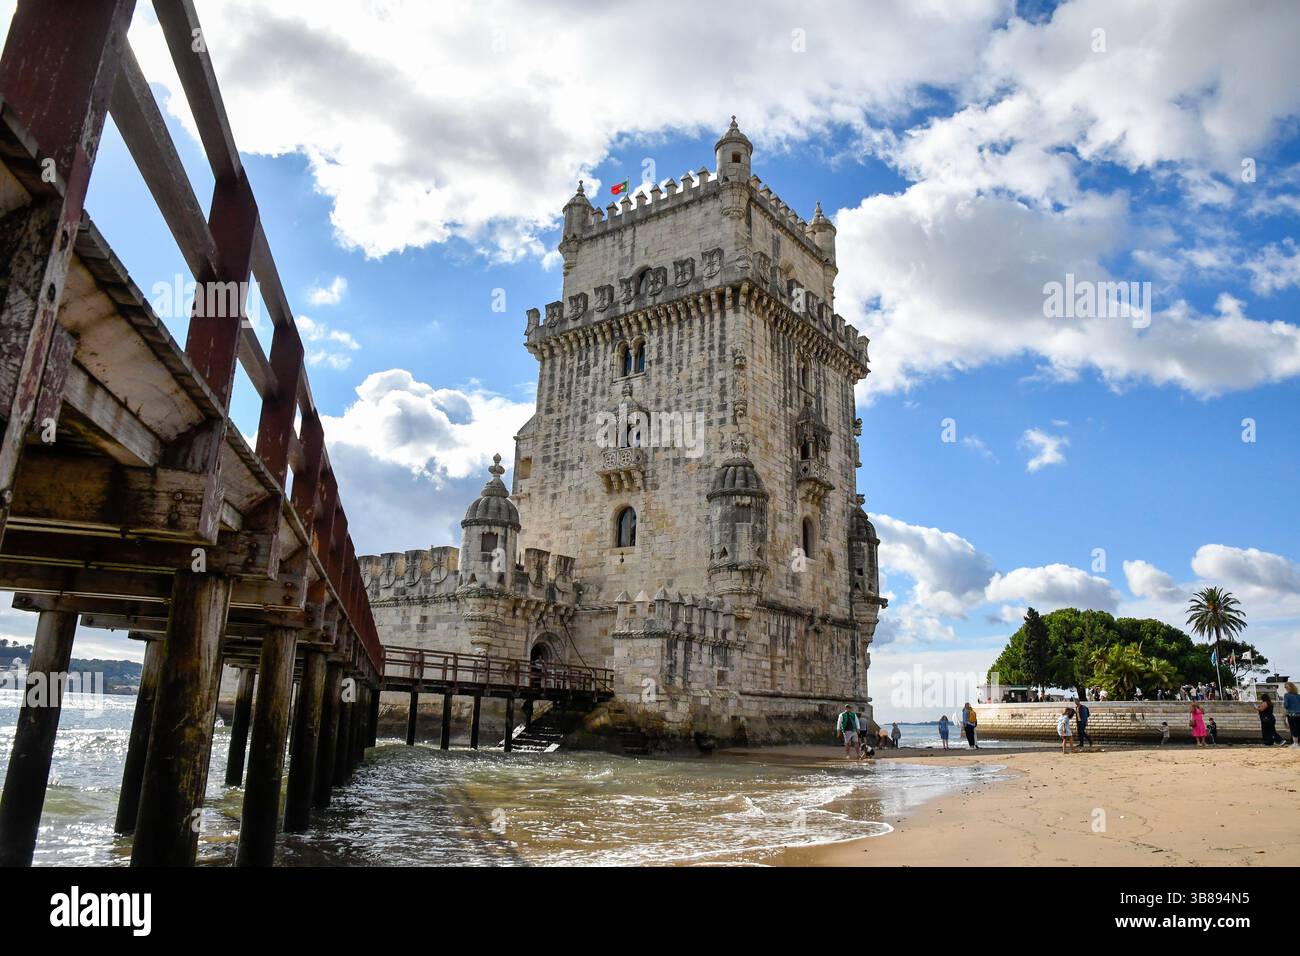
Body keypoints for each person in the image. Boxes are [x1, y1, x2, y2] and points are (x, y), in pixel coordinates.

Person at [1283, 682, 1300, 748]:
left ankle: (1295, 744)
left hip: (1291, 714)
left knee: (1293, 729)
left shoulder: (1286, 695)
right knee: (1299, 728)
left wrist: (1284, 705)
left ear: (1290, 687)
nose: (1286, 689)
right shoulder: (1298, 696)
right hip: (1299, 714)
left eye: (1286, 687)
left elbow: (1286, 705)